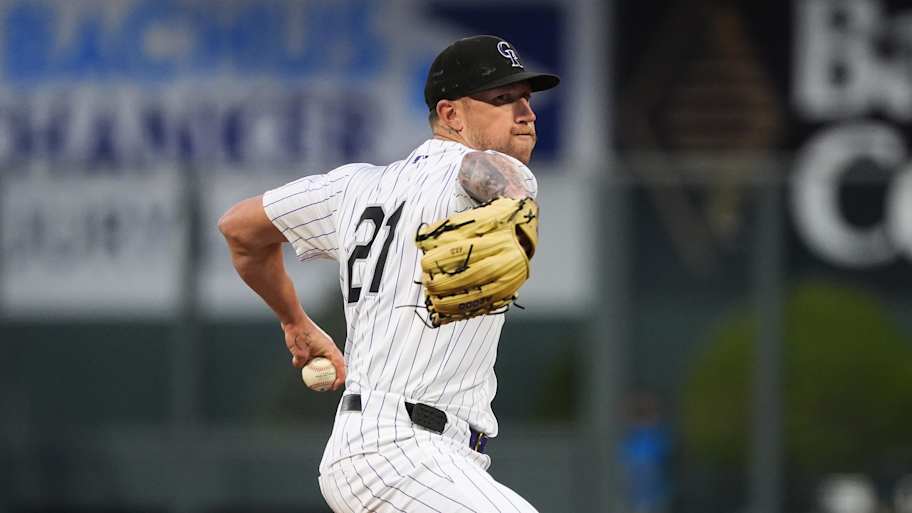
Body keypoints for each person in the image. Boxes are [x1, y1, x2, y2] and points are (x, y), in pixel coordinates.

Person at [218, 34, 559, 512]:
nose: (525, 112)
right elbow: (478, 172)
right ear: (451, 115)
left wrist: (294, 320)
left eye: (526, 98)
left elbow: (240, 230)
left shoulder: (353, 188)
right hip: (402, 452)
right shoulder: (482, 172)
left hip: (416, 456)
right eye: (502, 99)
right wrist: (514, 195)